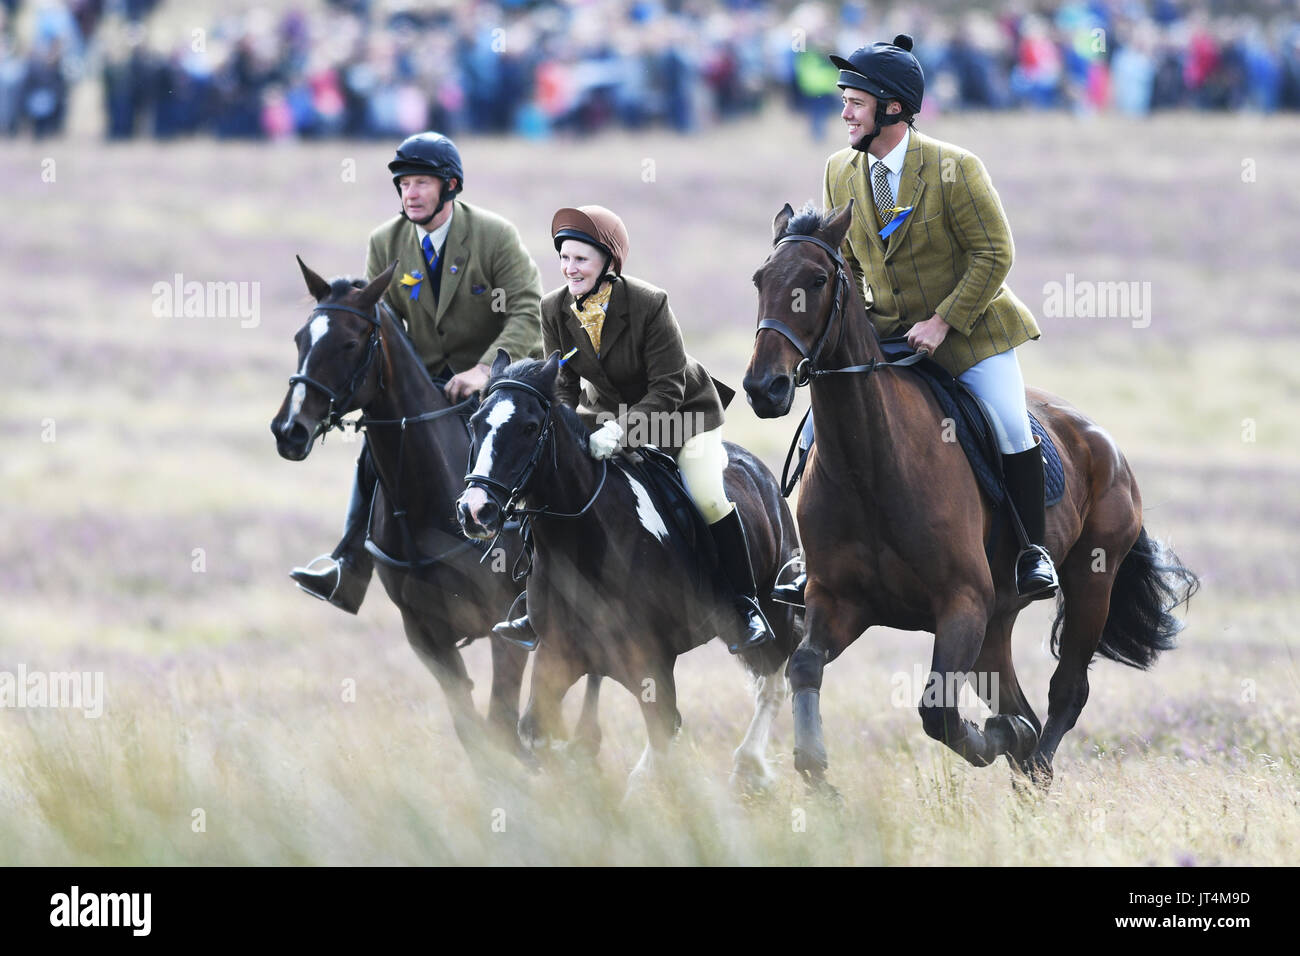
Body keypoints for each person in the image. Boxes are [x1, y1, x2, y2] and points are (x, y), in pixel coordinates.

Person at [781, 35, 1058, 603]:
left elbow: (994, 254)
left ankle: (1033, 552)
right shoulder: (838, 170)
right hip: (883, 336)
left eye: (855, 102)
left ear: (893, 108)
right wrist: (844, 329)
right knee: (816, 430)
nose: (844, 112)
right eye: (845, 101)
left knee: (1009, 422)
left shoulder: (956, 167)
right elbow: (848, 262)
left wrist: (942, 322)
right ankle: (806, 559)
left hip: (971, 333)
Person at [491, 205, 774, 654]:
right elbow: (561, 385)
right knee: (548, 486)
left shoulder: (649, 303)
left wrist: (622, 432)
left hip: (682, 415)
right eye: (564, 258)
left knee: (705, 493)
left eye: (581, 259)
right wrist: (566, 433)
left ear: (609, 262)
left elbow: (668, 387)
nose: (570, 268)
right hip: (603, 417)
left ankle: (742, 603)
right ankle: (537, 603)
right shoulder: (553, 308)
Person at [291, 131, 544, 612]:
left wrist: (486, 368)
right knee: (378, 442)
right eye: (404, 184)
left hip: (499, 378)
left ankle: (547, 561)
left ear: (450, 187)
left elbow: (526, 310)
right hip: (427, 382)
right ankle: (348, 565)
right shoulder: (384, 241)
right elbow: (379, 323)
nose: (410, 193)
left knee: (530, 447)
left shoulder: (495, 235)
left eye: (422, 183)